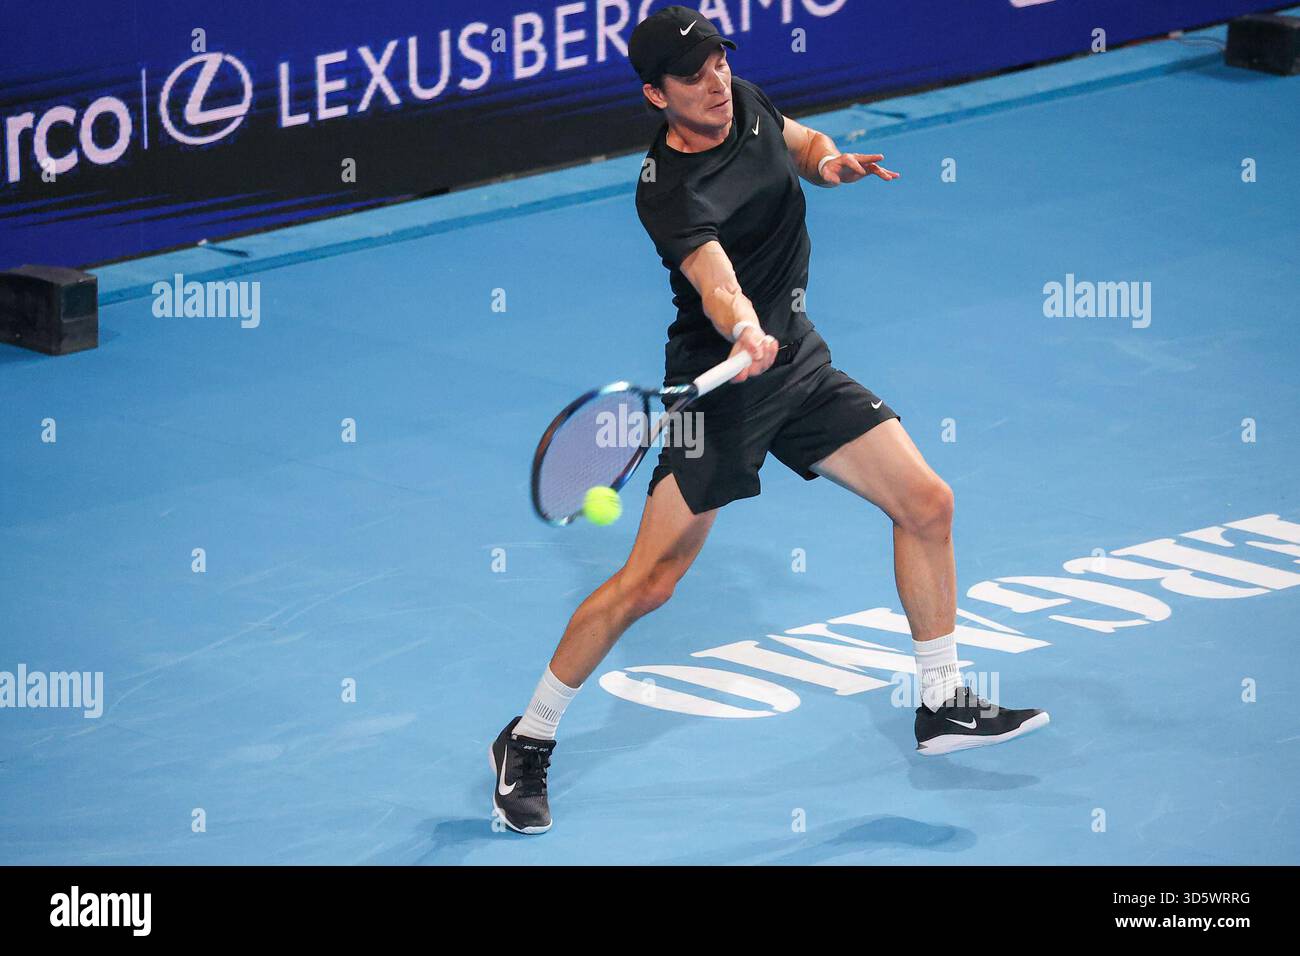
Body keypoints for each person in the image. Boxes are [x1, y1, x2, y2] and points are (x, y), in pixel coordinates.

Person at [489, 5, 1049, 835]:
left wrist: (834, 166)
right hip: (719, 392)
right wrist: (744, 327)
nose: (714, 80)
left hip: (799, 363)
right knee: (651, 583)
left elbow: (798, 143)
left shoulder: (739, 97)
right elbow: (715, 283)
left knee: (927, 503)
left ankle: (941, 702)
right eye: (693, 75)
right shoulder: (669, 193)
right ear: (655, 96)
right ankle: (527, 737)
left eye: (717, 62)